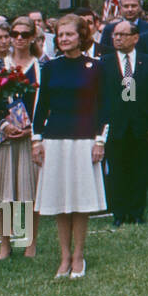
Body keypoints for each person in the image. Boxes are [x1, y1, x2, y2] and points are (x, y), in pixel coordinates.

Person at [31, 14, 104, 279]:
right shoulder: (49, 68)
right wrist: (36, 140)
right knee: (60, 199)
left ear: (81, 36)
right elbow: (40, 108)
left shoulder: (95, 67)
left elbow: (103, 106)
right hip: (55, 139)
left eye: (69, 34)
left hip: (84, 140)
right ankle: (63, 256)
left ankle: (78, 256)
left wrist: (100, 140)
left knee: (80, 200)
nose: (63, 39)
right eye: (60, 35)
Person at [100, 20, 148, 226]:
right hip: (115, 125)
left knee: (140, 168)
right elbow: (99, 98)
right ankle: (119, 213)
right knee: (117, 170)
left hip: (141, 124)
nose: (118, 38)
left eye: (123, 34)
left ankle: (137, 212)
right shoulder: (104, 63)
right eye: (115, 35)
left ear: (135, 38)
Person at [0, 15, 42, 259]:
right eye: (15, 34)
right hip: (5, 136)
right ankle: (5, 242)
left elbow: (46, 103)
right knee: (4, 192)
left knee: (31, 191)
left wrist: (33, 129)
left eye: (25, 34)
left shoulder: (41, 66)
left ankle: (30, 241)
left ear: (33, 36)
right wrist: (3, 126)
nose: (20, 39)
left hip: (30, 135)